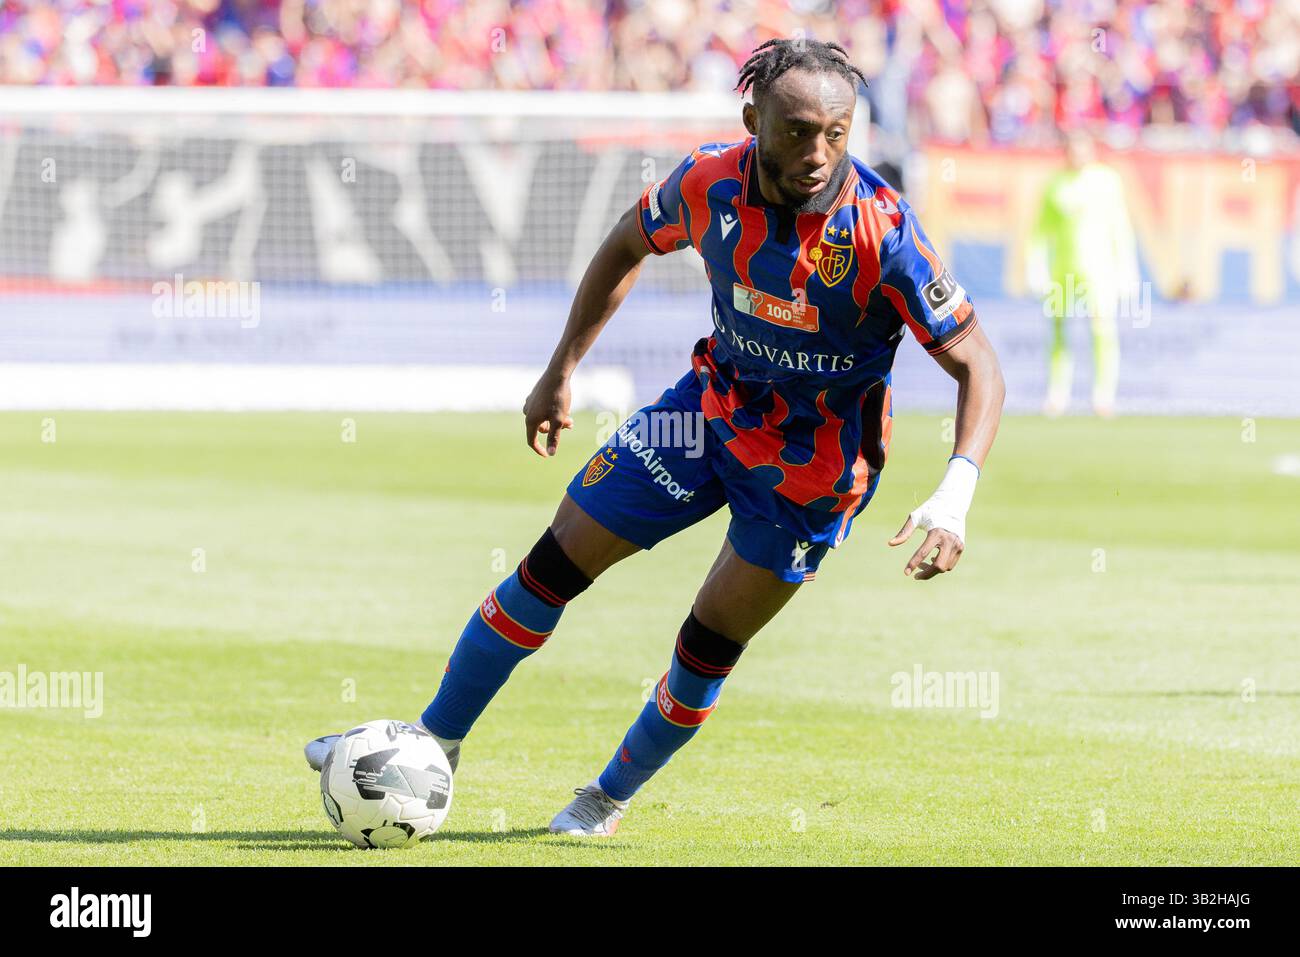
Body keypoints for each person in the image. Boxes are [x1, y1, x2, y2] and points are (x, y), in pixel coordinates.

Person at [305, 38, 1006, 837]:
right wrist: (560, 368)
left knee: (707, 639)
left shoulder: (883, 231)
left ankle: (603, 798)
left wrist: (956, 493)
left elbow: (977, 362)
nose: (818, 153)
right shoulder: (708, 181)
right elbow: (625, 245)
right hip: (705, 414)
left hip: (813, 472)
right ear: (754, 118)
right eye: (797, 131)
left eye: (836, 134)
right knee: (551, 563)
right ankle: (432, 744)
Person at [1028, 130, 1139, 417]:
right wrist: (1038, 267)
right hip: (1063, 270)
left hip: (1099, 269)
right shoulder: (1056, 184)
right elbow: (1041, 232)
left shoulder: (1107, 180)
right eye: (1071, 148)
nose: (1076, 154)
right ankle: (1057, 395)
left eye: (1082, 148)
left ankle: (1103, 396)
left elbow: (1120, 227)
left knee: (1102, 330)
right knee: (1058, 333)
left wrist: (1127, 269)